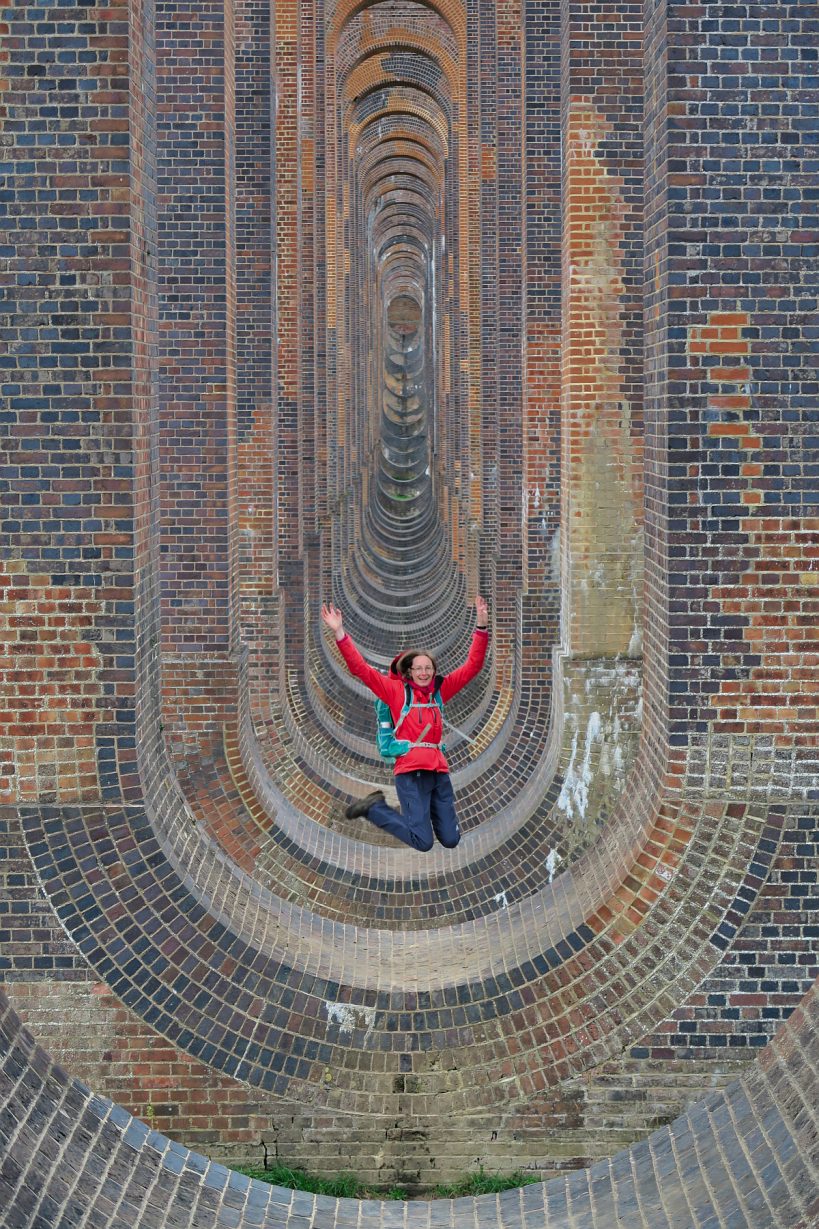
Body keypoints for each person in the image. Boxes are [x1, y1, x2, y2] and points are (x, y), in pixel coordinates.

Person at [320, 597, 490, 851]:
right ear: (409, 672)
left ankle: (426, 819)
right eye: (418, 668)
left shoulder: (440, 692)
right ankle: (374, 808)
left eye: (428, 668)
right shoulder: (396, 692)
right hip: (411, 773)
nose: (424, 672)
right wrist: (340, 632)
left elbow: (473, 666)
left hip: (438, 773)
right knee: (423, 841)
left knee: (451, 840)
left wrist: (481, 626)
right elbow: (361, 670)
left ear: (433, 671)